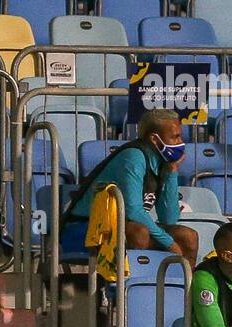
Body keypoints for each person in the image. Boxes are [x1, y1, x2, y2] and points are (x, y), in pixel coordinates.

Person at [60, 107, 198, 258]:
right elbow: (133, 210)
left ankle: (182, 281)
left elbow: (169, 219)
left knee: (188, 237)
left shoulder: (161, 161)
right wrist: (170, 244)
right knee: (140, 233)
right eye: (175, 137)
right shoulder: (134, 157)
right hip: (84, 228)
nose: (181, 143)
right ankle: (136, 280)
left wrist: (172, 171)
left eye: (181, 137)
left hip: (123, 228)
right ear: (154, 139)